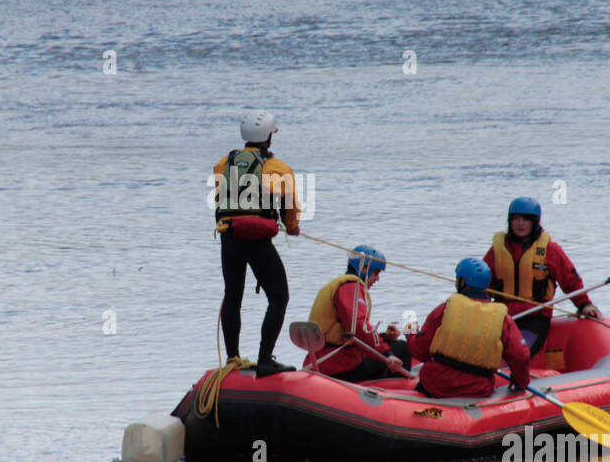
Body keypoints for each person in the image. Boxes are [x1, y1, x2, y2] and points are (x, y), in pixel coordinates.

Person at [213, 110, 301, 376]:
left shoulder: (223, 163)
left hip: (229, 239)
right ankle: (265, 359)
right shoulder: (278, 168)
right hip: (257, 240)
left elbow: (223, 197)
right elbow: (290, 208)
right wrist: (293, 228)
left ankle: (232, 358)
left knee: (233, 295)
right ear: (268, 138)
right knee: (279, 296)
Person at [483, 196, 600, 357]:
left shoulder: (549, 250)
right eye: (516, 219)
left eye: (526, 219)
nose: (520, 223)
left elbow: (570, 280)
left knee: (519, 354)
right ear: (510, 221)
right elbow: (481, 285)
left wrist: (585, 304)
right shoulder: (497, 250)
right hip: (502, 317)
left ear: (535, 222)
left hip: (534, 318)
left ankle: (515, 378)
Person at [406, 258, 530, 399]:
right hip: (478, 389)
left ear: (463, 282)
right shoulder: (502, 319)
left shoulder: (444, 310)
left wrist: (410, 332)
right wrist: (520, 383)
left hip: (437, 385)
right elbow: (521, 355)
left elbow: (420, 351)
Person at [306, 245, 413, 382]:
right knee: (402, 348)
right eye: (376, 273)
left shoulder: (336, 285)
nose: (378, 278)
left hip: (322, 359)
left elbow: (347, 331)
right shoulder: (351, 287)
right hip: (340, 365)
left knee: (389, 347)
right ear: (364, 268)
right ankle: (393, 394)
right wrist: (387, 353)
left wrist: (383, 337)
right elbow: (358, 326)